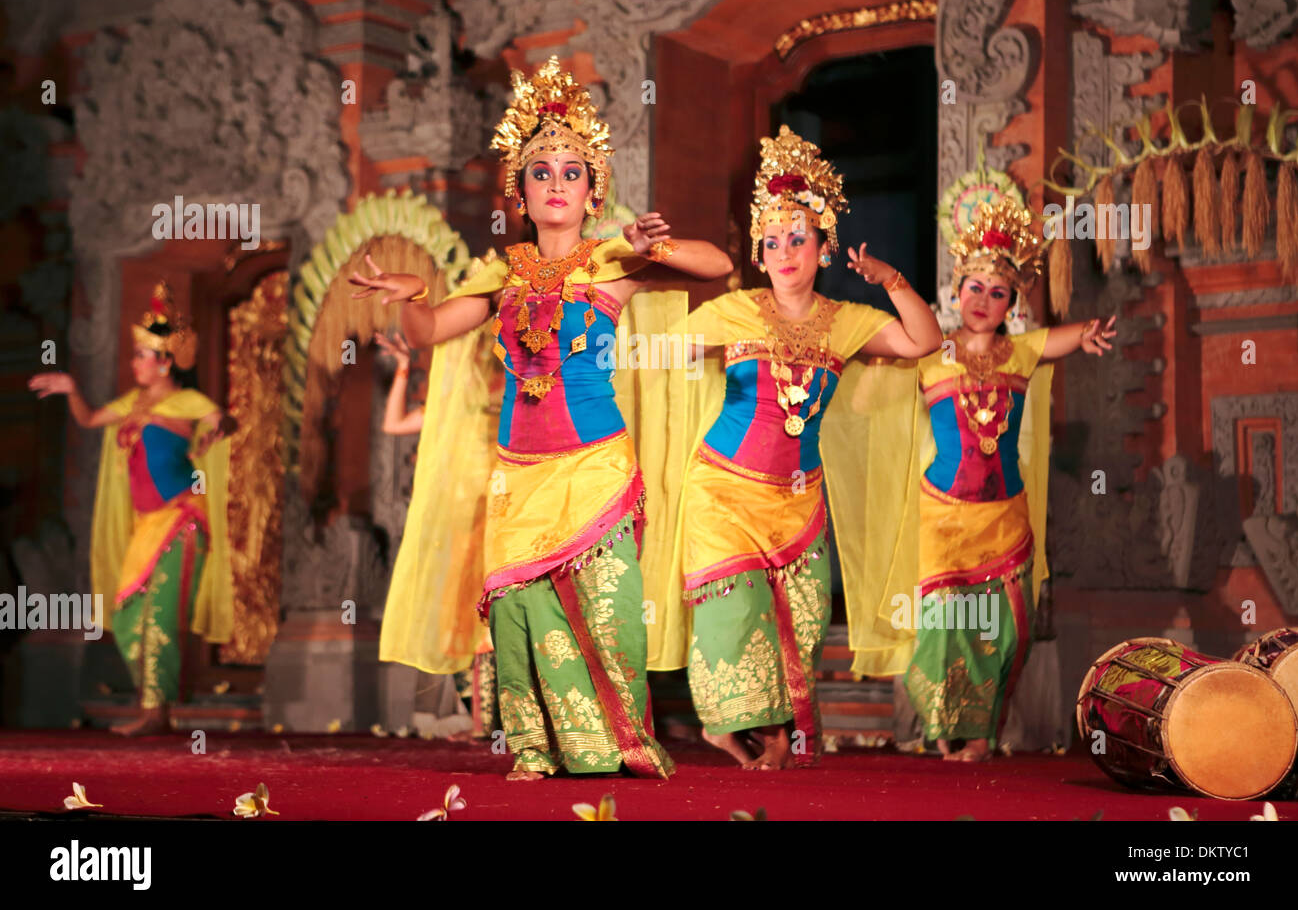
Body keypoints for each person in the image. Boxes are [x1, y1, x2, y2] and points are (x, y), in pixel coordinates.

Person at [349, 56, 732, 779]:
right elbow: (429, 333)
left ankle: (618, 740)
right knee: (522, 615)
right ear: (519, 192)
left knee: (610, 606)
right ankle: (535, 747)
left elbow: (717, 265)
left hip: (596, 462)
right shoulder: (500, 275)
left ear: (593, 191)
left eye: (571, 171)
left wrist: (657, 246)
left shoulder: (614, 263)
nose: (556, 183)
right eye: (541, 172)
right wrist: (407, 293)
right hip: (517, 472)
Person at [678, 126, 942, 769]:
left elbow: (923, 342)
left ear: (823, 247)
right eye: (772, 241)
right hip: (722, 488)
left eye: (799, 237)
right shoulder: (733, 311)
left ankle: (770, 740)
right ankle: (726, 724)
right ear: (759, 254)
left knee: (799, 622)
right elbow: (656, 351)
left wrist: (892, 280)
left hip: (800, 500)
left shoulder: (848, 322)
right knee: (733, 608)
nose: (785, 250)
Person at [905, 197, 1117, 761]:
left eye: (998, 293)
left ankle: (982, 734)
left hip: (1005, 516)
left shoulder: (1021, 353)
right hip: (943, 517)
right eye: (974, 287)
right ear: (956, 291)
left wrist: (1090, 332)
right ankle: (945, 728)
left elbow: (1065, 337)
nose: (983, 301)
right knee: (944, 630)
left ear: (1010, 304)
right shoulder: (930, 354)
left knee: (1007, 632)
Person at [29, 282, 235, 736]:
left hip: (181, 520)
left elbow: (219, 420)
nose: (134, 362)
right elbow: (89, 420)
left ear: (165, 361)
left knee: (161, 614)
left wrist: (218, 428)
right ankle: (151, 705)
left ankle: (157, 711)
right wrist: (71, 389)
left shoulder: (190, 403)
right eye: (136, 354)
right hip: (146, 525)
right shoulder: (132, 403)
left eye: (142, 354)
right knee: (125, 615)